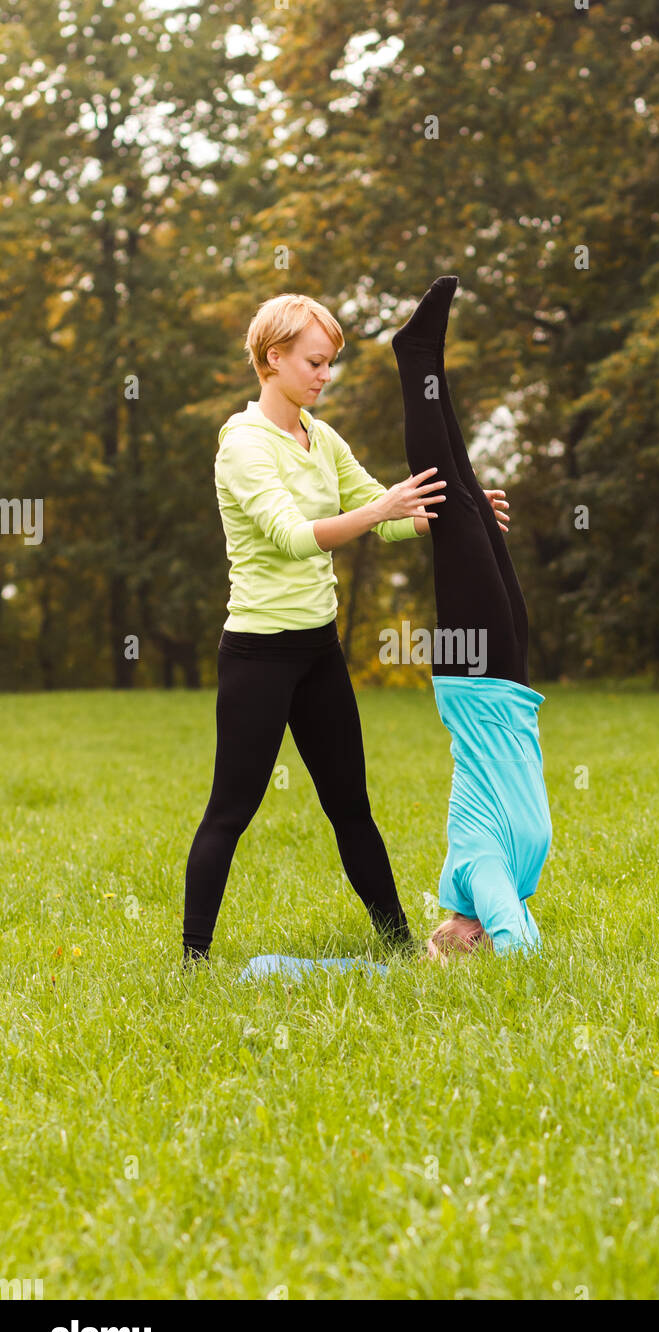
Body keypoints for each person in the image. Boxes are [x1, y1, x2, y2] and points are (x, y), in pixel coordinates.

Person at [182, 293, 460, 963]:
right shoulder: (245, 446)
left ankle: (398, 949)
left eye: (329, 362)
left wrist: (461, 515)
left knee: (350, 805)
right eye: (314, 361)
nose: (323, 374)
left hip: (317, 651)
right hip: (258, 655)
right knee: (232, 809)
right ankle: (192, 964)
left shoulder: (320, 436)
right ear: (271, 358)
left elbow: (389, 517)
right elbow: (294, 537)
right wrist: (384, 508)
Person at [390, 276, 553, 961]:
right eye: (454, 945)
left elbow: (519, 944)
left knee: (449, 499)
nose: (448, 936)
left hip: (475, 680)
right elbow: (520, 930)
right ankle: (430, 358)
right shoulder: (506, 889)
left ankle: (417, 355)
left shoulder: (475, 875)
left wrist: (503, 959)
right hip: (503, 689)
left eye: (450, 942)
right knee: (469, 504)